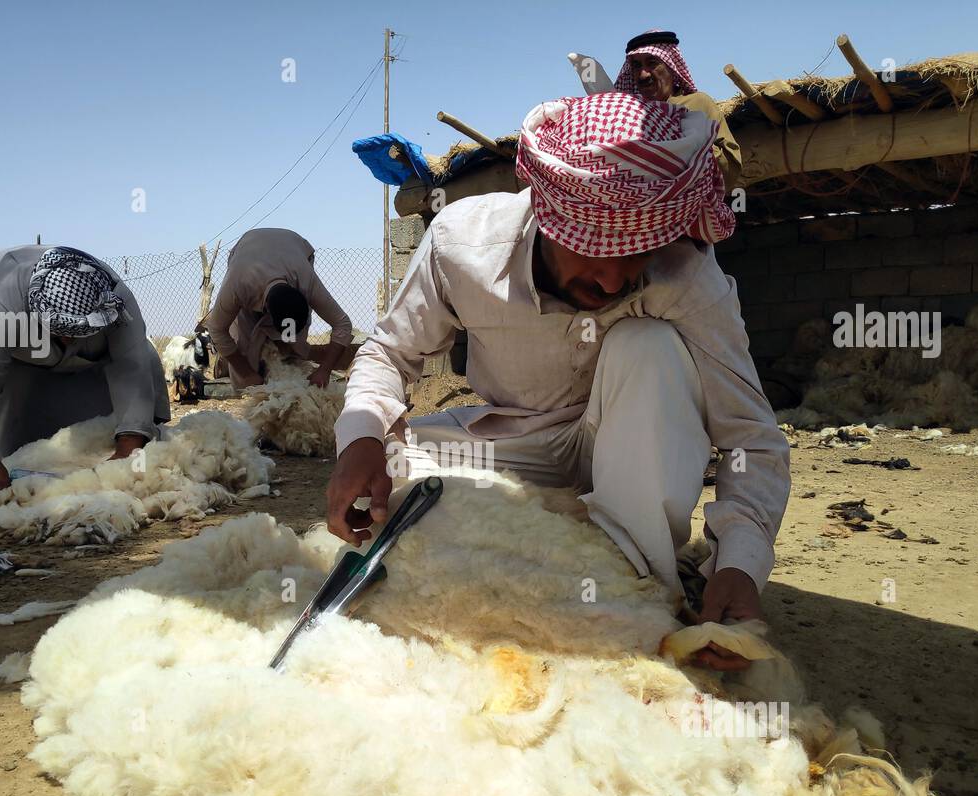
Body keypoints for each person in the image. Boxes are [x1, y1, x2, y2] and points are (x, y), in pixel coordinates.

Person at [325, 92, 789, 671]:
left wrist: (740, 567)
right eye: (595, 246)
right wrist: (361, 441)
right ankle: (574, 544)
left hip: (618, 448)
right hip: (510, 444)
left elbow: (752, 437)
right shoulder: (460, 244)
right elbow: (389, 353)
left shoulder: (688, 277)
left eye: (638, 250)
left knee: (648, 343)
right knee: (391, 493)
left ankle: (637, 583)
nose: (616, 276)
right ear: (547, 215)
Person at [0, 245, 170, 492]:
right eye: (62, 332)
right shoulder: (4, 299)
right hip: (21, 349)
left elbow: (132, 367)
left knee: (147, 357)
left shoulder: (116, 300)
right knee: (12, 455)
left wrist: (129, 448)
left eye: (76, 334)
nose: (69, 341)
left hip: (86, 359)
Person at [199, 228, 355, 391]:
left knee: (292, 346)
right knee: (244, 346)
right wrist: (245, 372)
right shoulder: (238, 286)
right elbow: (216, 329)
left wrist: (324, 371)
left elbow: (342, 324)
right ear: (266, 311)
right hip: (246, 254)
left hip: (295, 248)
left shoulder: (306, 282)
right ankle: (253, 390)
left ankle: (291, 378)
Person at [613, 28, 742, 192]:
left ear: (671, 66)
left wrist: (690, 140)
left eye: (652, 63)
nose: (643, 75)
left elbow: (731, 173)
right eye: (637, 66)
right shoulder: (627, 115)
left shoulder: (698, 104)